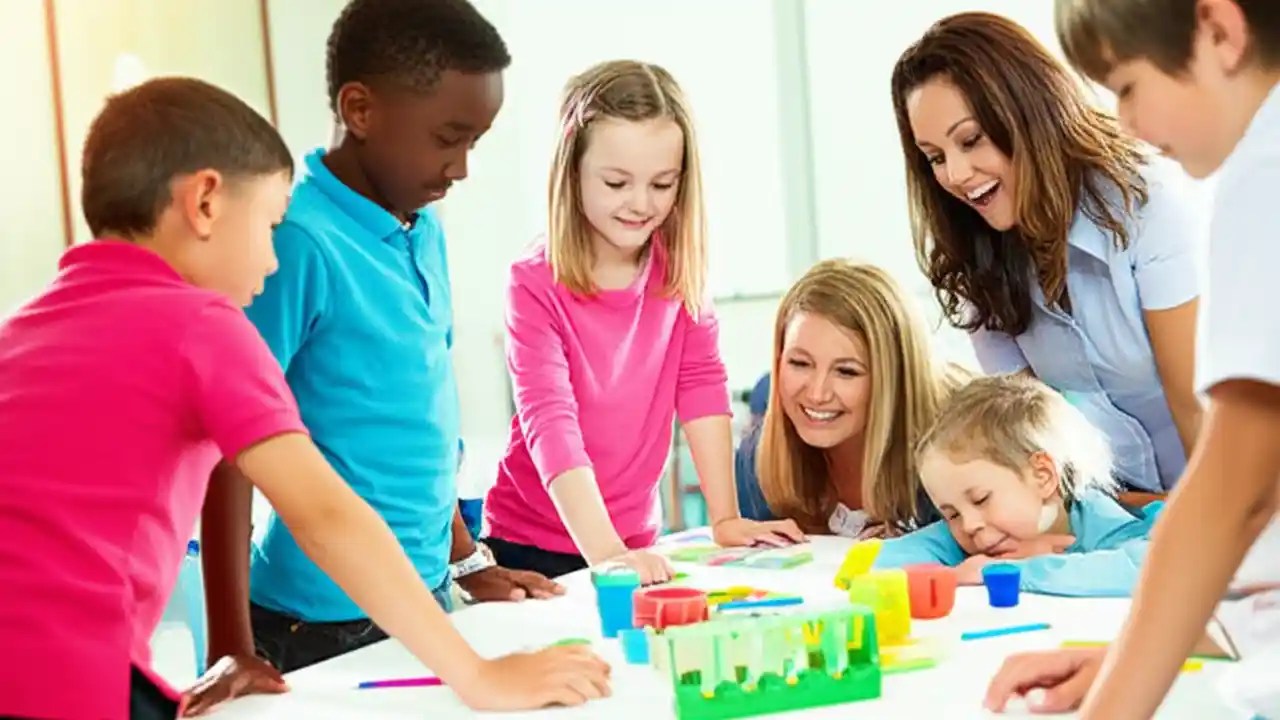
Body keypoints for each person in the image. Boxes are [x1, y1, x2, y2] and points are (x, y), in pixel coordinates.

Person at [0, 77, 609, 720]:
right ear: (205, 202)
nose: (271, 260)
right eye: (268, 225)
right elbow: (325, 515)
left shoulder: (22, 329)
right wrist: (480, 676)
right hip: (59, 681)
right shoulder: (205, 327)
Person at [187, 0, 571, 711]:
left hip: (421, 601)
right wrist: (230, 643)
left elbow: (422, 422)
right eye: (448, 138)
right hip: (317, 623)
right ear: (360, 110)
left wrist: (465, 560)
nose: (461, 167)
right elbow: (229, 449)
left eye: (475, 142)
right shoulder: (294, 240)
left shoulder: (421, 227)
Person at [984, 0, 1280, 717]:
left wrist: (1116, 703)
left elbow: (1234, 488)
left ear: (1220, 31)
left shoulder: (1263, 173)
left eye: (1125, 85)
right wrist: (1139, 655)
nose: (1122, 121)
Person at [482, 60, 803, 586]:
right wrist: (605, 553)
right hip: (530, 545)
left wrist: (724, 517)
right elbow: (550, 420)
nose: (640, 204)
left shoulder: (679, 268)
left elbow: (700, 384)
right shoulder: (533, 281)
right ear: (573, 174)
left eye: (661, 184)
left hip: (633, 541)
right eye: (616, 183)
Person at [891, 11, 1206, 494]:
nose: (955, 173)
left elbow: (1197, 407)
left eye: (971, 140)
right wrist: (1131, 520)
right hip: (1115, 518)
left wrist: (1212, 532)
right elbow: (1033, 444)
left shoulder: (1142, 203)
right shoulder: (975, 260)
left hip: (1226, 501)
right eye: (934, 157)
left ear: (1027, 113)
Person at [874, 375, 1159, 597]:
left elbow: (1154, 569)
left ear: (1043, 476)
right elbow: (882, 565)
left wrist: (1008, 571)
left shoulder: (1122, 527)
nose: (969, 524)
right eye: (952, 514)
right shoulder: (972, 540)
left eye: (981, 499)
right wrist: (954, 576)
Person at [735, 260, 959, 539]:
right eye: (800, 363)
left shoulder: (962, 452)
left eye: (846, 371)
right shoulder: (754, 465)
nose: (817, 394)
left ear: (894, 377)